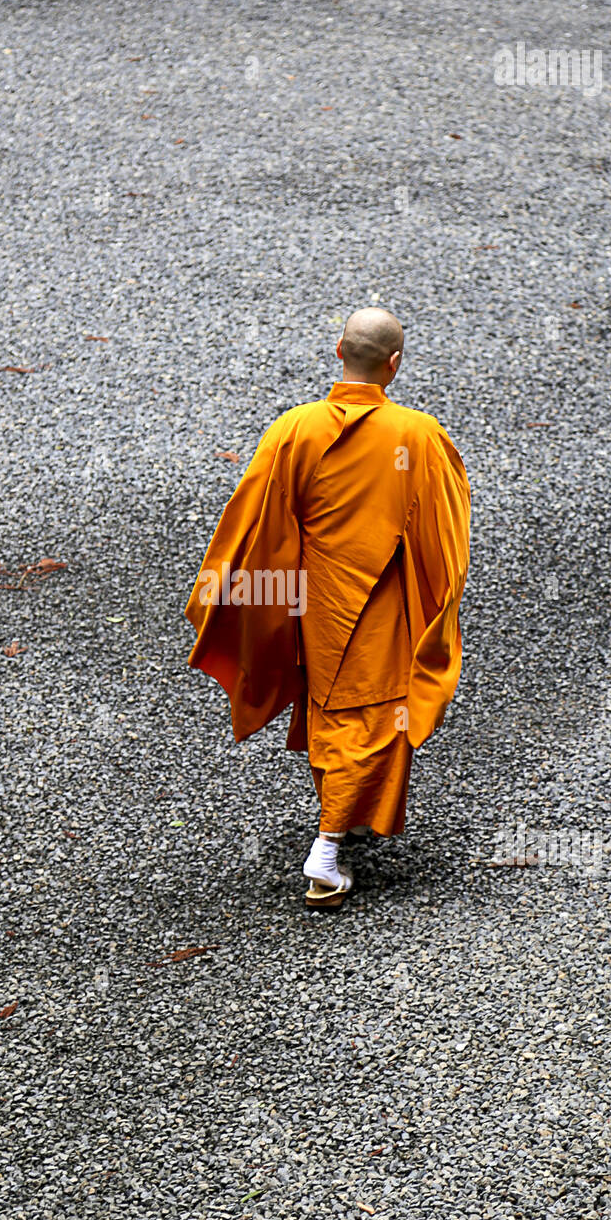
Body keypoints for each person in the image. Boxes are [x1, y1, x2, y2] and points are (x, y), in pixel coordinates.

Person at [185, 308, 470, 909]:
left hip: (312, 597)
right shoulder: (418, 435)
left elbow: (255, 520)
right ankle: (329, 847)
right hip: (381, 597)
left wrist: (248, 596)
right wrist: (438, 603)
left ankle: (347, 816)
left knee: (333, 704)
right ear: (395, 364)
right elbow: (444, 532)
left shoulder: (294, 428)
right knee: (368, 714)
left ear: (337, 349)